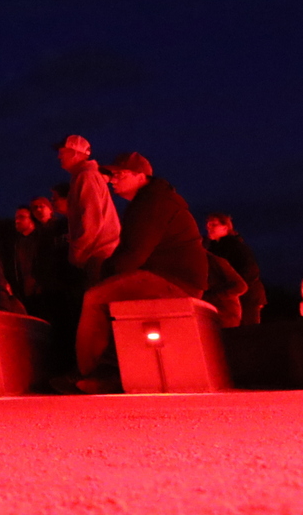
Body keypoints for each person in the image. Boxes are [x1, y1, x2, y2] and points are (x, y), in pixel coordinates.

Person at [57, 152, 208, 394]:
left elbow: (132, 255)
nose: (112, 179)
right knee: (106, 293)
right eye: (112, 175)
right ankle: (107, 369)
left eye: (119, 174)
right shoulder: (152, 200)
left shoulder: (152, 203)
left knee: (96, 298)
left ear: (140, 176)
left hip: (172, 280)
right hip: (171, 277)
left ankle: (97, 372)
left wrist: (102, 275)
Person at [57, 135, 120, 283]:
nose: (59, 156)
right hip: (100, 255)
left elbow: (91, 219)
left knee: (97, 302)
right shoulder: (86, 175)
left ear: (74, 153)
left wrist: (77, 251)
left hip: (98, 256)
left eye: (62, 151)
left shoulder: (86, 177)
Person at [204, 214, 266, 325]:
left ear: (225, 227)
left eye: (214, 224)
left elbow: (251, 271)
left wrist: (235, 289)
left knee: (247, 333)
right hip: (230, 298)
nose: (209, 228)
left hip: (247, 297)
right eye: (208, 225)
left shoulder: (236, 246)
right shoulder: (212, 249)